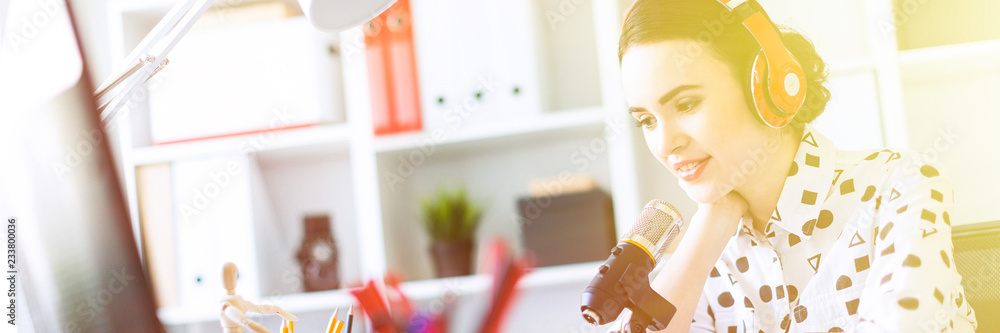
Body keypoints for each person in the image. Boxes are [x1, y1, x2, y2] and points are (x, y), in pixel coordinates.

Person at [617, 0, 978, 332]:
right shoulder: (708, 256)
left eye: (686, 105)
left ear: (769, 86)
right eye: (646, 121)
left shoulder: (898, 187)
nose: (665, 145)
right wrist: (706, 233)